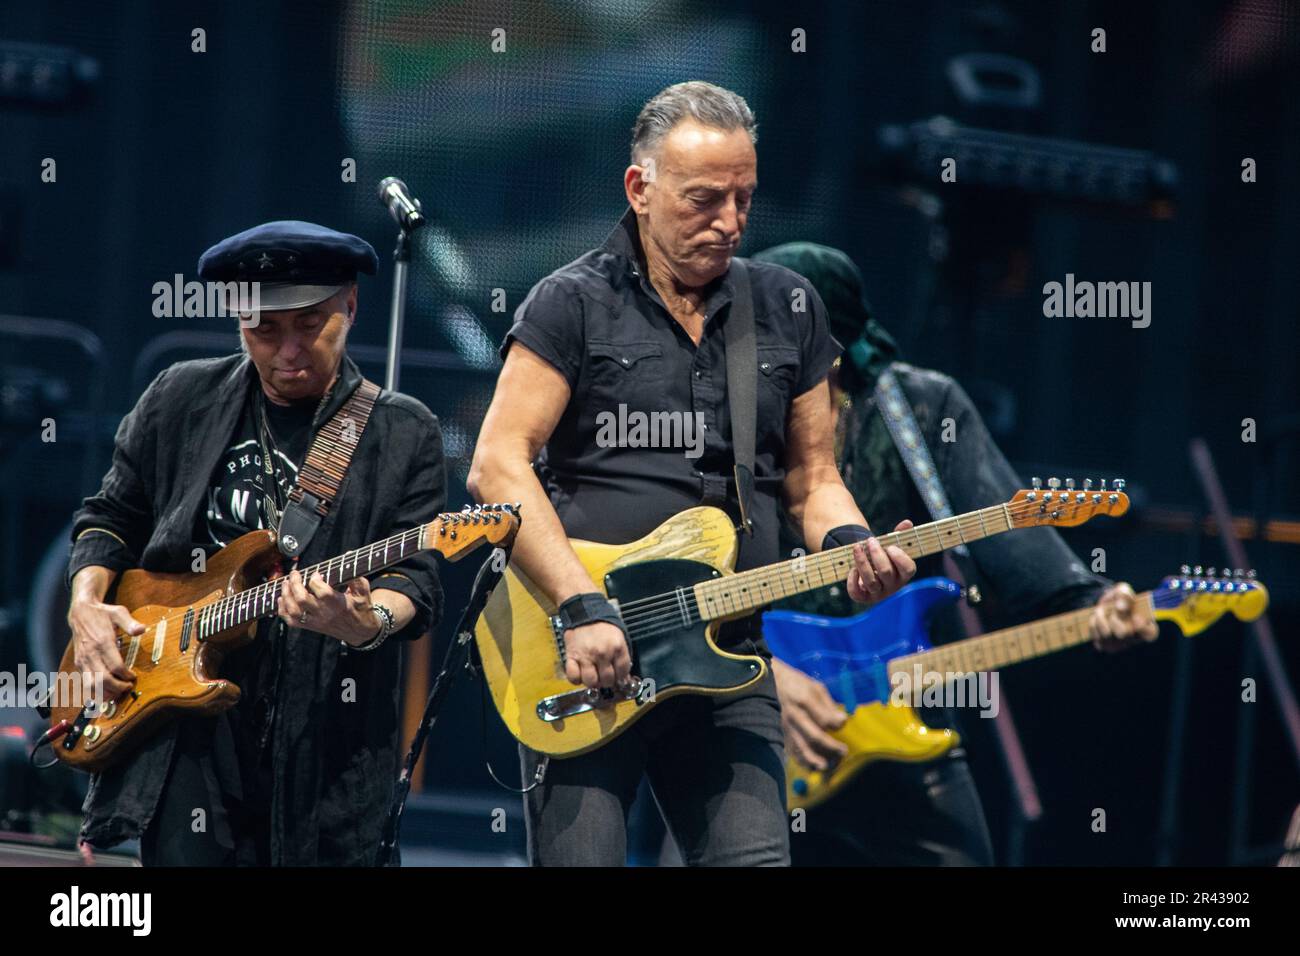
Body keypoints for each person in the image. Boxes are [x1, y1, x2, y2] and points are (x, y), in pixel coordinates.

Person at [468, 81, 917, 866]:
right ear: (640, 189)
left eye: (744, 197)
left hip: (729, 647)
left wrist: (852, 542)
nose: (732, 222)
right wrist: (581, 607)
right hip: (585, 646)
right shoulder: (569, 303)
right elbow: (497, 465)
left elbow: (813, 479)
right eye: (705, 199)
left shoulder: (790, 308)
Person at [751, 241, 1157, 866]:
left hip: (898, 707)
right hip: (750, 709)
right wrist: (767, 680)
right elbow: (675, 578)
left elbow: (1014, 538)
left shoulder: (919, 407)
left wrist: (1096, 601)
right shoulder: (719, 414)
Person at [66, 221, 447, 865]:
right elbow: (109, 517)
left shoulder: (402, 431)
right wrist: (85, 604)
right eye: (263, 330)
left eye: (310, 324)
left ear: (350, 306)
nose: (288, 350)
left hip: (326, 743)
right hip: (186, 736)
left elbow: (418, 578)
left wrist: (362, 621)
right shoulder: (180, 398)